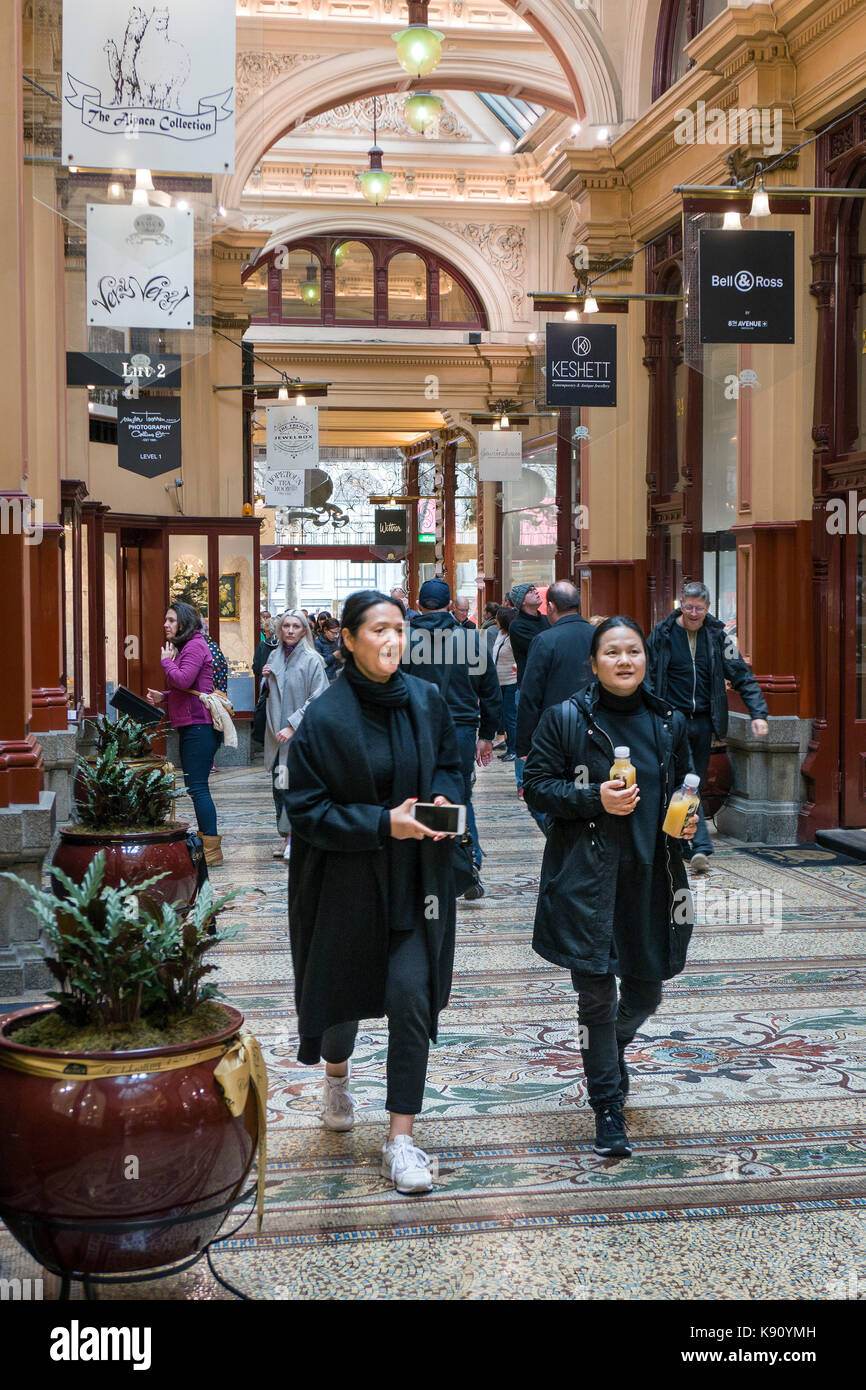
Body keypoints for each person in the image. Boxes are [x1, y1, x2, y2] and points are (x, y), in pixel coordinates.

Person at [285, 590, 464, 1195]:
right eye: (379, 630)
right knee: (341, 1005)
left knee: (411, 999)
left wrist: (441, 798)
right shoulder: (326, 718)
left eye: (399, 629)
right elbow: (305, 811)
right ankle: (337, 1074)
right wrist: (381, 822)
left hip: (414, 886)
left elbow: (450, 764)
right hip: (346, 886)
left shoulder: (426, 699)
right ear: (350, 639)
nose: (392, 640)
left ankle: (401, 1139)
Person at [523, 616, 698, 1158]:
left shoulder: (669, 721)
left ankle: (610, 1052)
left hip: (653, 877)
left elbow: (687, 788)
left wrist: (692, 827)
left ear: (646, 659)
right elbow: (537, 786)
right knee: (596, 999)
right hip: (587, 882)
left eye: (634, 652)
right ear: (594, 663)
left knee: (646, 990)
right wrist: (592, 799)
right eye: (613, 653)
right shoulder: (567, 719)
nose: (625, 661)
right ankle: (607, 1107)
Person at [646, 581, 769, 874]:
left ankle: (683, 842)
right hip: (670, 721)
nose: (692, 613)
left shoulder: (717, 637)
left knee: (689, 783)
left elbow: (741, 674)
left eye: (698, 608)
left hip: (702, 723)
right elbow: (648, 677)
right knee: (685, 782)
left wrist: (758, 713)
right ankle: (701, 844)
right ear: (680, 604)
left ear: (708, 608)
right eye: (687, 607)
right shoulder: (661, 635)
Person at [406, 577, 502, 897]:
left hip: (414, 730)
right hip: (459, 730)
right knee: (457, 794)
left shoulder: (403, 641)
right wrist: (486, 735)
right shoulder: (473, 641)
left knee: (415, 794)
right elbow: (491, 693)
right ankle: (465, 866)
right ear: (450, 606)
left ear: (418, 604)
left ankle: (422, 868)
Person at [146, 601, 223, 867]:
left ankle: (211, 848)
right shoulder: (190, 646)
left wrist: (167, 663)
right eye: (165, 620)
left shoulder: (194, 646)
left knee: (198, 788)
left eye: (171, 620)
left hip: (198, 726)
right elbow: (186, 687)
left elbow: (182, 679)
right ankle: (208, 844)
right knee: (196, 787)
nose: (165, 625)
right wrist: (164, 697)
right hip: (192, 723)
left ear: (184, 623)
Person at [263, 609, 329, 860]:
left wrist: (293, 724)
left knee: (294, 788)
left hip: (299, 738)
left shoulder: (312, 659)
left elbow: (319, 698)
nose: (290, 631)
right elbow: (269, 693)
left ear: (304, 630)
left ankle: (295, 839)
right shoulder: (274, 655)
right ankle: (287, 838)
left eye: (296, 626)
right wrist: (265, 679)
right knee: (280, 789)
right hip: (276, 737)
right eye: (286, 626)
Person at [515, 581, 593, 761]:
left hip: (554, 733)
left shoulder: (545, 640)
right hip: (594, 729)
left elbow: (531, 695)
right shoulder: (597, 634)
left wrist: (524, 745)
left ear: (551, 606)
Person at [507, 583, 550, 684]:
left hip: (549, 679)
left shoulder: (546, 619)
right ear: (522, 601)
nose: (536, 591)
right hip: (530, 683)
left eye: (535, 589)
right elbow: (539, 648)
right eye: (530, 591)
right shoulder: (517, 625)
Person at [492, 607, 517, 761]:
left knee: (510, 717)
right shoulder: (501, 634)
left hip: (510, 682)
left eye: (497, 617)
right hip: (499, 681)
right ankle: (509, 747)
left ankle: (514, 749)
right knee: (503, 716)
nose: (495, 620)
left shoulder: (512, 637)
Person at [315, 616, 342, 684]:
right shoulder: (317, 643)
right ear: (325, 630)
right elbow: (318, 664)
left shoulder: (337, 641)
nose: (336, 636)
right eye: (333, 633)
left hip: (338, 677)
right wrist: (334, 655)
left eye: (337, 633)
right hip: (325, 680)